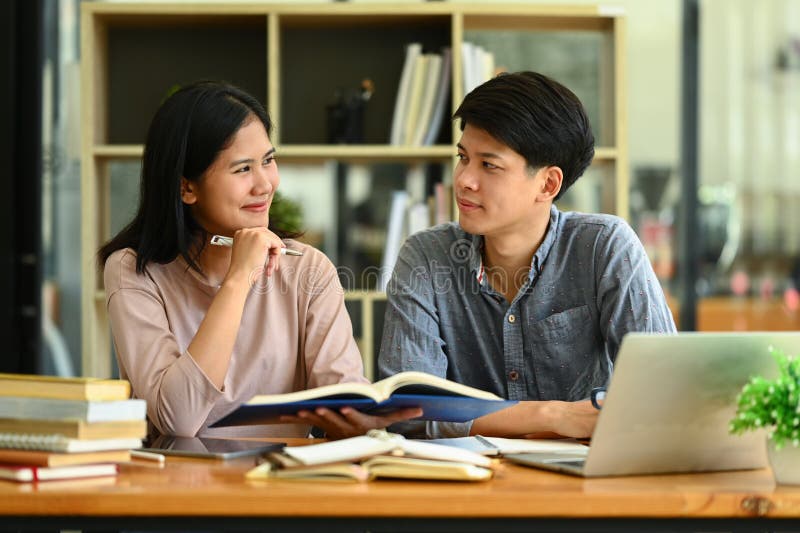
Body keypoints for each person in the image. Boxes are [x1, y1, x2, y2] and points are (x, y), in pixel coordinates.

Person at [99, 81, 420, 440]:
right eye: (242, 169)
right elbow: (178, 419)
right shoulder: (133, 271)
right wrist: (238, 279)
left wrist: (366, 418)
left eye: (268, 161)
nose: (265, 184)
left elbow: (345, 398)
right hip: (180, 475)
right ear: (186, 187)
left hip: (283, 473)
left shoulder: (308, 270)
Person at [378, 71, 676, 440]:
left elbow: (664, 391)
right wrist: (554, 415)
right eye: (463, 157)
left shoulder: (604, 247)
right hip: (468, 475)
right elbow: (406, 412)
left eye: (489, 165)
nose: (464, 179)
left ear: (548, 184)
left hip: (583, 471)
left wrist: (472, 417)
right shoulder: (425, 257)